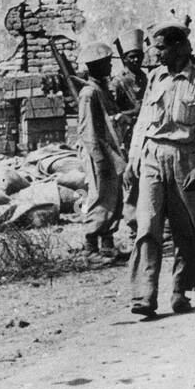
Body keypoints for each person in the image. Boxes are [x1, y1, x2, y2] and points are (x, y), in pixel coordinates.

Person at [127, 21, 195, 317]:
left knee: (184, 229)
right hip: (152, 155)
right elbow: (143, 120)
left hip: (184, 159)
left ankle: (180, 291)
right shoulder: (155, 78)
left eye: (162, 47)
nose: (156, 52)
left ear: (179, 47)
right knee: (147, 225)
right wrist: (132, 160)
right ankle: (144, 295)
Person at [76, 42, 128, 261]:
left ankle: (107, 245)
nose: (109, 67)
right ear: (95, 67)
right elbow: (87, 130)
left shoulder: (101, 90)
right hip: (97, 152)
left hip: (110, 150)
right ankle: (90, 248)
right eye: (105, 63)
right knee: (99, 197)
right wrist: (98, 158)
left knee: (113, 197)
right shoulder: (89, 93)